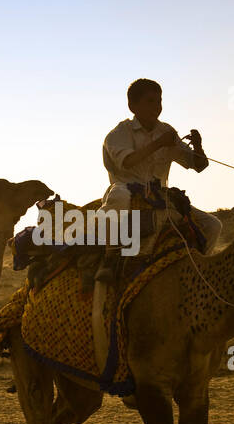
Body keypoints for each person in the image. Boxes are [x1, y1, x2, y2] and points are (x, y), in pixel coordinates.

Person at [95, 79, 222, 284]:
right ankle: (111, 256)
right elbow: (128, 162)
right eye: (150, 101)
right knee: (118, 195)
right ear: (132, 106)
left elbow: (199, 165)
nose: (157, 107)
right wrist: (158, 144)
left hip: (160, 196)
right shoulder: (118, 134)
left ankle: (198, 272)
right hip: (126, 192)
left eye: (159, 101)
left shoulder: (166, 132)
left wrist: (198, 147)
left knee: (213, 225)